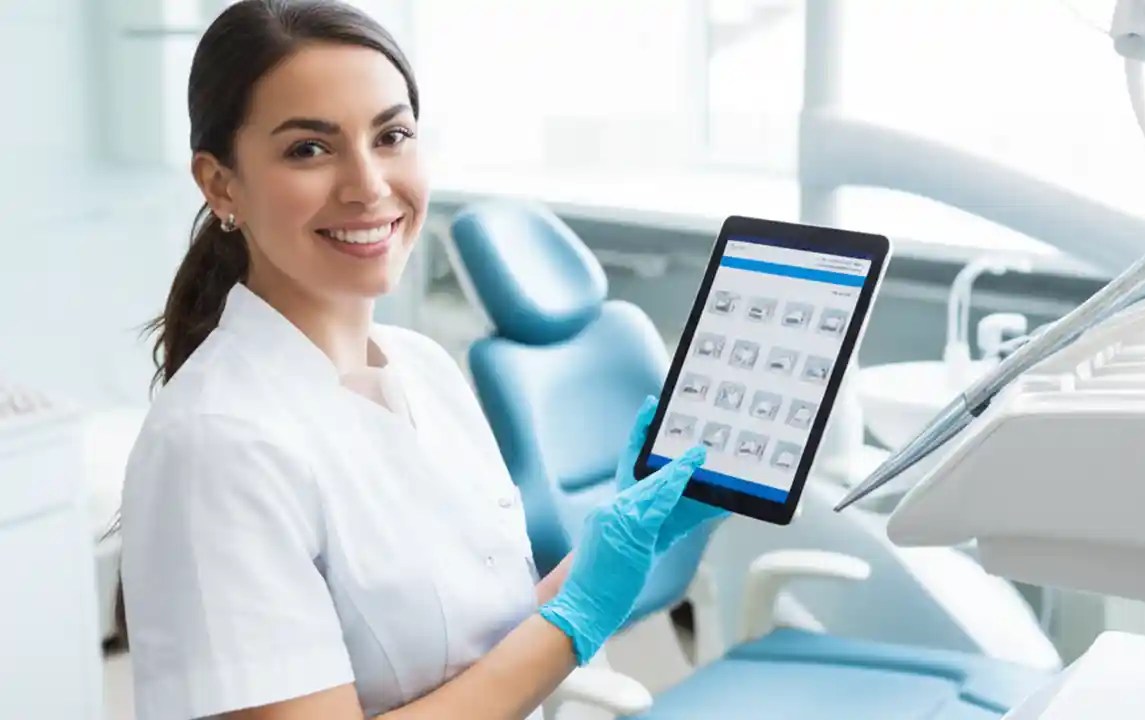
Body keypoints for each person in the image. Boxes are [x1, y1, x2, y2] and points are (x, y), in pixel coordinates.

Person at [119, 2, 720, 718]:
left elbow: (474, 653)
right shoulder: (220, 444)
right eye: (309, 149)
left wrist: (599, 564)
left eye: (391, 135)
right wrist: (579, 615)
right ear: (221, 184)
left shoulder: (423, 368)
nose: (368, 185)